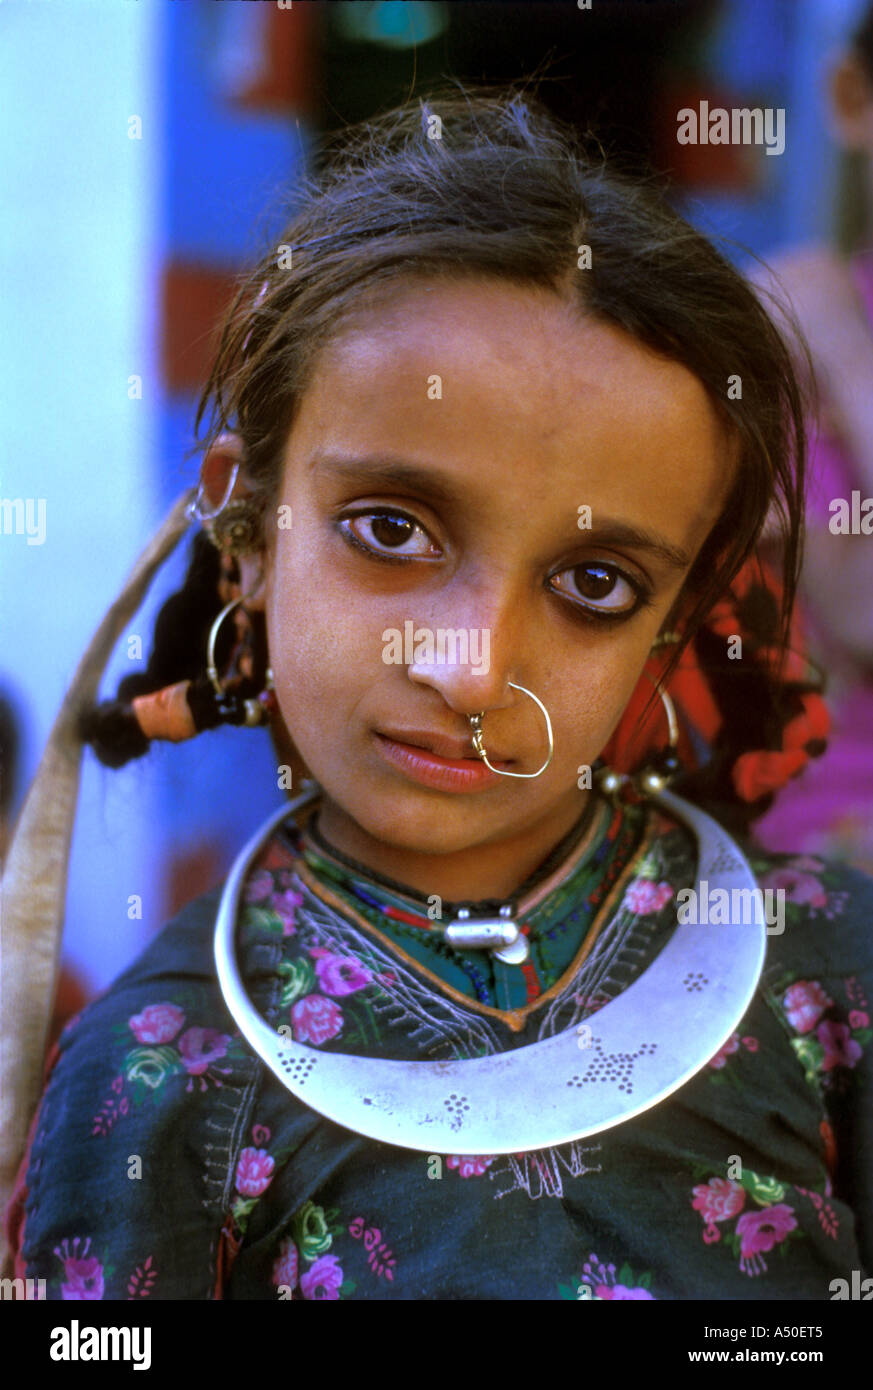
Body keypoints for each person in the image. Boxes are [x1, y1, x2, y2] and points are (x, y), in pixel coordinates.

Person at [3, 88, 871, 1301]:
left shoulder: (831, 972)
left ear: (675, 622)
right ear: (247, 527)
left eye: (596, 582)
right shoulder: (154, 1068)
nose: (468, 665)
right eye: (391, 527)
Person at [752, 5, 873, 874]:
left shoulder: (815, 322)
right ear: (848, 97)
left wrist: (845, 355)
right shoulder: (770, 340)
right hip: (811, 871)